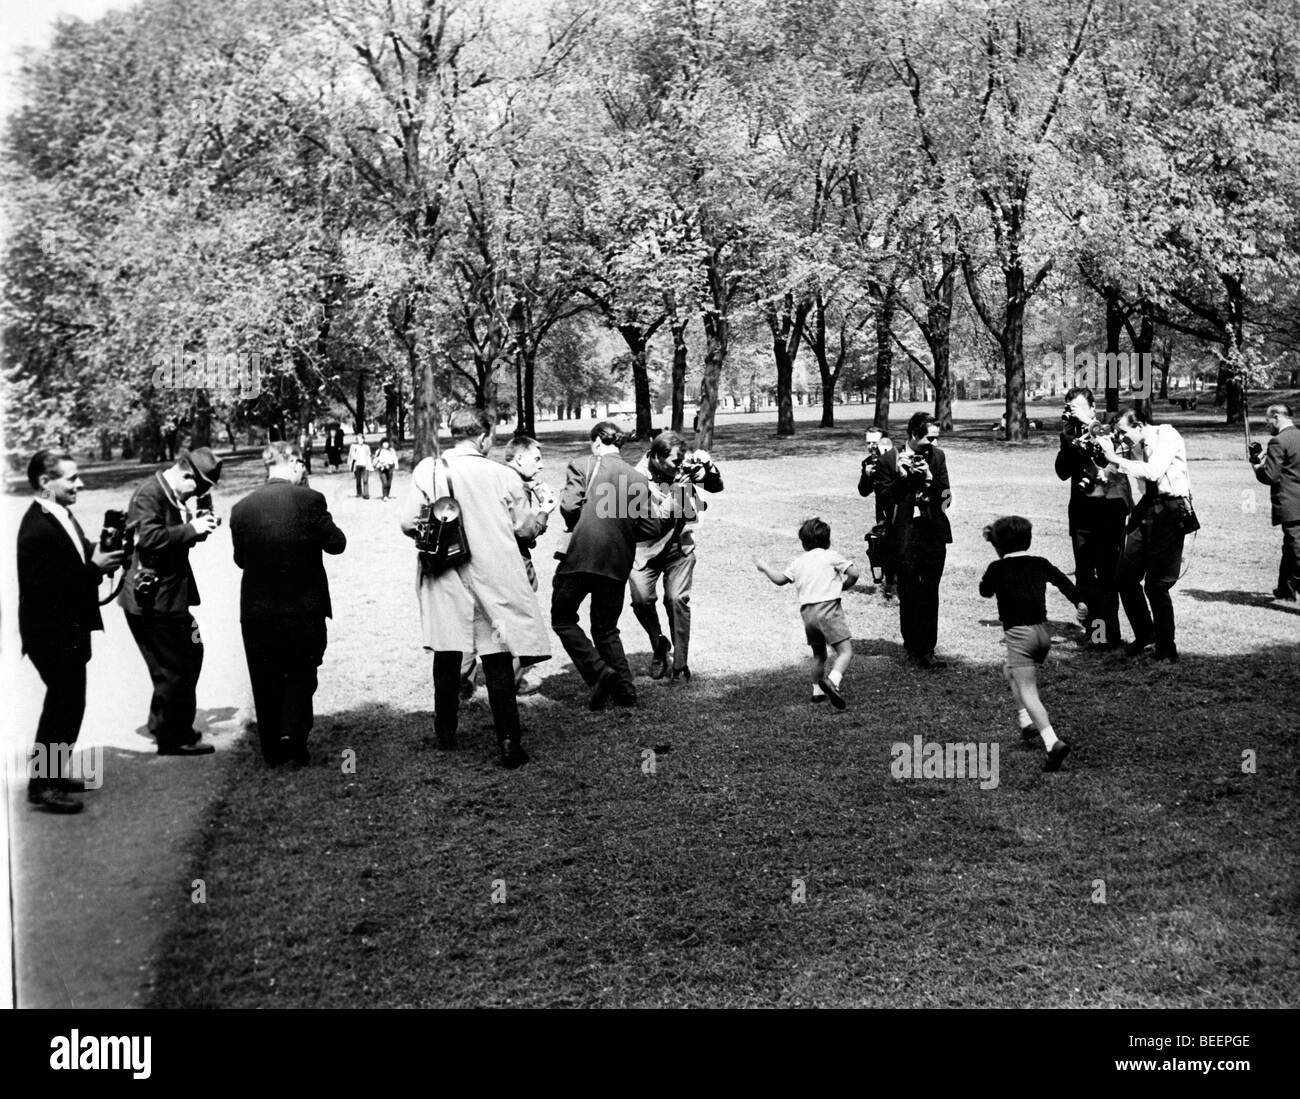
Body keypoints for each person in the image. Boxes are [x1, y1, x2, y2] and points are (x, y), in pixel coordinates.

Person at [400, 408, 550, 768]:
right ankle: (509, 741)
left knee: (447, 653)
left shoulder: (427, 470)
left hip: (445, 573)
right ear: (484, 437)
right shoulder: (503, 476)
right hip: (494, 577)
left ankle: (446, 732)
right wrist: (545, 513)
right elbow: (525, 530)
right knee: (498, 658)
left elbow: (408, 523)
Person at [18, 451, 124, 812]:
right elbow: (45, 589)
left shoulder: (58, 515)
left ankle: (52, 773)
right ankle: (42, 786)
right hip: (50, 633)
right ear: (45, 483)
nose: (80, 484)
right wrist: (94, 569)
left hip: (68, 630)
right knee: (63, 704)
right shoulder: (36, 527)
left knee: (69, 704)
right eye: (71, 478)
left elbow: (72, 557)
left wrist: (102, 553)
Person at [230, 442, 346, 766]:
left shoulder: (241, 508)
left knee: (264, 676)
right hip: (303, 605)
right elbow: (337, 544)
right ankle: (293, 738)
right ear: (295, 463)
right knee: (301, 670)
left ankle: (271, 749)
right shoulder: (309, 499)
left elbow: (240, 560)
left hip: (257, 608)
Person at [119, 447, 223, 755]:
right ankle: (173, 737)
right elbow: (149, 539)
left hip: (171, 599)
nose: (196, 495)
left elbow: (171, 537)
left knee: (190, 651)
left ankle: (164, 722)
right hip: (153, 601)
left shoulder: (169, 493)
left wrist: (198, 530)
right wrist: (191, 528)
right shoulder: (149, 494)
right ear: (187, 474)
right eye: (198, 488)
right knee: (175, 666)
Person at [551, 421, 660, 710]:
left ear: (598, 440)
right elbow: (650, 527)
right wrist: (620, 529)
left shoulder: (582, 464)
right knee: (606, 628)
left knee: (562, 617)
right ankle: (626, 692)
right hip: (617, 562)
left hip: (581, 556)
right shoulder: (636, 478)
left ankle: (600, 673)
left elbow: (570, 507)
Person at [979, 516, 1089, 772]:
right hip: (1043, 634)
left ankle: (1052, 743)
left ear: (998, 545)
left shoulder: (996, 568)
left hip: (1019, 636)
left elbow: (984, 591)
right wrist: (1080, 602)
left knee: (1029, 691)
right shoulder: (1039, 563)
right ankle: (1025, 719)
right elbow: (1064, 582)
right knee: (1009, 671)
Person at [1095, 408, 1193, 662]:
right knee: (1124, 577)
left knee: (1156, 584)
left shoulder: (1166, 435)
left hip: (1172, 508)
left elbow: (1152, 472)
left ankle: (1166, 647)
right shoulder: (1133, 444)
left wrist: (1115, 458)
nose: (1123, 439)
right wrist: (1103, 455)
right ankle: (1145, 633)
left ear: (1139, 425)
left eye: (1125, 432)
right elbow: (1116, 472)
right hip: (1147, 507)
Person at [630, 431, 723, 682]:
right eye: (674, 463)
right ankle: (658, 643)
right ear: (657, 458)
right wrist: (679, 489)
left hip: (678, 548)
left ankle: (680, 664)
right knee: (641, 600)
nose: (679, 466)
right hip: (644, 550)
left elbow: (715, 486)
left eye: (681, 461)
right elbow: (657, 520)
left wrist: (708, 467)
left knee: (676, 600)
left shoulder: (680, 462)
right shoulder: (635, 478)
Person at [873, 411, 953, 669]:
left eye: (936, 438)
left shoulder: (938, 457)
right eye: (930, 438)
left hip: (932, 532)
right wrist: (901, 478)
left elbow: (947, 498)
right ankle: (912, 647)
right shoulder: (888, 460)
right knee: (908, 592)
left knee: (930, 591)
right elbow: (884, 499)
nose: (934, 444)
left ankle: (928, 650)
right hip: (904, 535)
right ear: (913, 435)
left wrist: (931, 480)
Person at [755, 517, 860, 710]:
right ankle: (832, 681)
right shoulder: (831, 556)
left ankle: (817, 692)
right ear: (828, 540)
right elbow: (854, 573)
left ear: (804, 543)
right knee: (845, 651)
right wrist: (842, 586)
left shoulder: (799, 562)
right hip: (828, 610)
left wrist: (764, 567)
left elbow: (780, 580)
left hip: (808, 614)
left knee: (819, 655)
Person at [1054, 387, 1129, 649]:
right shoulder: (1071, 434)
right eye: (1069, 408)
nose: (1072, 413)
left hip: (1109, 510)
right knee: (1085, 576)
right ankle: (1094, 633)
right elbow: (1062, 472)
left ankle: (1110, 634)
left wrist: (1089, 424)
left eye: (1077, 407)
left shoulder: (1109, 427)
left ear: (1092, 409)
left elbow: (1115, 458)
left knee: (1107, 574)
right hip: (1082, 513)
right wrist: (1069, 440)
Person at [1251, 402, 1300, 603]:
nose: (1267, 425)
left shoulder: (1278, 441)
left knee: (1296, 547)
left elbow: (1270, 476)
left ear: (1277, 417)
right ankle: (1285, 589)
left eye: (1267, 421)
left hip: (1290, 503)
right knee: (1290, 546)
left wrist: (1256, 467)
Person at [857, 427, 896, 600]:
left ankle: (898, 585)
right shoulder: (868, 462)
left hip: (900, 509)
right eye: (868, 442)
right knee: (879, 546)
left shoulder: (895, 458)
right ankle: (889, 585)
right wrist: (867, 476)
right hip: (882, 513)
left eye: (875, 442)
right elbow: (863, 491)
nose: (871, 446)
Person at [348, 433, 372, 499]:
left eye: (361, 439)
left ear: (363, 439)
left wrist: (370, 466)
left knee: (365, 480)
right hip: (357, 465)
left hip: (365, 465)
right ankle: (359, 492)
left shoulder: (366, 447)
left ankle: (366, 494)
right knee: (358, 480)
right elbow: (351, 456)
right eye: (358, 439)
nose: (360, 440)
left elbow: (368, 456)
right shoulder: (353, 446)